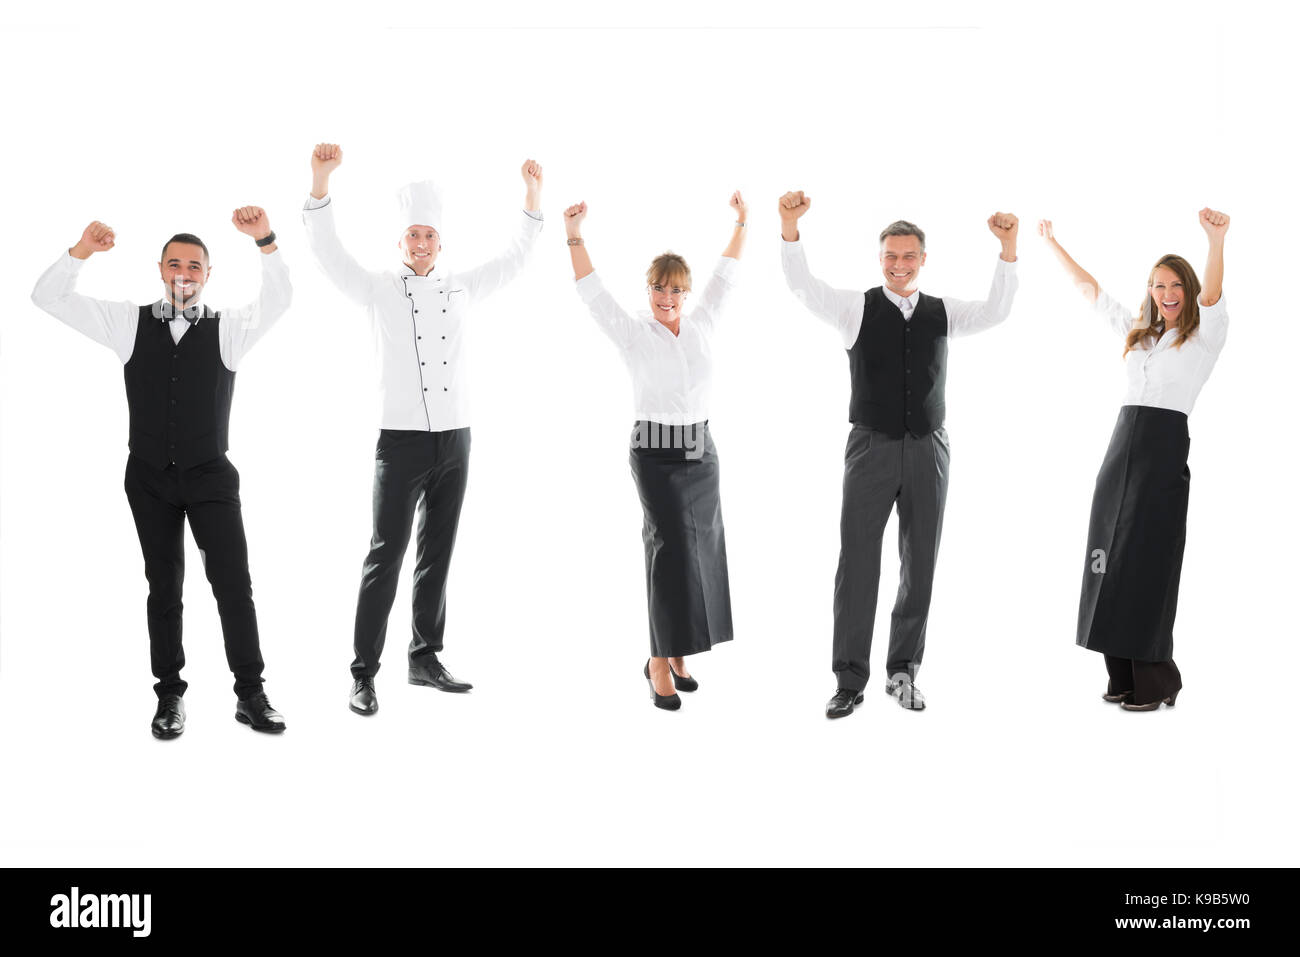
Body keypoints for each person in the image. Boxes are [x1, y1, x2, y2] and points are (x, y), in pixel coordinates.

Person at [30, 209, 292, 738]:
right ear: (160, 269)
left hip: (211, 475)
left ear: (207, 274)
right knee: (163, 584)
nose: (184, 272)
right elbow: (47, 297)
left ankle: (251, 693)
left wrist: (264, 239)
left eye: (194, 265)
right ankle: (169, 696)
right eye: (174, 263)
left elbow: (280, 298)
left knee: (233, 585)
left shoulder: (230, 328)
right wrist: (82, 249)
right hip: (148, 476)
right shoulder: (129, 322)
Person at [303, 143, 544, 716]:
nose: (420, 243)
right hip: (402, 440)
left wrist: (532, 199)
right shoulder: (377, 289)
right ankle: (363, 672)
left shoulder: (461, 287)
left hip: (456, 437)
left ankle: (424, 657)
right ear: (400, 242)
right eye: (412, 235)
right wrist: (319, 182)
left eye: (428, 236)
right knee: (385, 553)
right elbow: (328, 252)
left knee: (438, 550)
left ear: (440, 242)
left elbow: (515, 258)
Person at [779, 191, 1020, 718]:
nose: (899, 264)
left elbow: (998, 311)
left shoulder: (942, 312)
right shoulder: (854, 308)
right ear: (880, 259)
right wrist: (790, 229)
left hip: (930, 448)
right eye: (890, 256)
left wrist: (1007, 249)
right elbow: (802, 286)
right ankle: (849, 679)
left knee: (921, 562)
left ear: (923, 260)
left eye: (909, 256)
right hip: (870, 447)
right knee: (858, 561)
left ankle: (903, 673)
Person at [1039, 209, 1230, 711]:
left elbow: (1212, 297)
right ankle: (1120, 673)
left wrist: (1215, 241)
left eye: (1174, 286)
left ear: (1187, 291)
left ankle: (1156, 679)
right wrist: (1053, 244)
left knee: (1148, 564)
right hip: (1121, 448)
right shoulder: (1139, 335)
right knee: (1109, 560)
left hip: (1163, 453)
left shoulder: (1205, 337)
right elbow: (1092, 293)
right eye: (1157, 285)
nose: (1165, 293)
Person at [564, 193, 747, 711]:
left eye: (676, 290)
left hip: (701, 448)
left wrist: (741, 222)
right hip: (655, 450)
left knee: (703, 550)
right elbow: (591, 292)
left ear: (687, 293)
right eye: (659, 288)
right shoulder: (632, 332)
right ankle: (658, 659)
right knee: (668, 553)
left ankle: (682, 649)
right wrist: (575, 234)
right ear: (648, 290)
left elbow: (728, 273)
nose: (667, 297)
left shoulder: (704, 321)